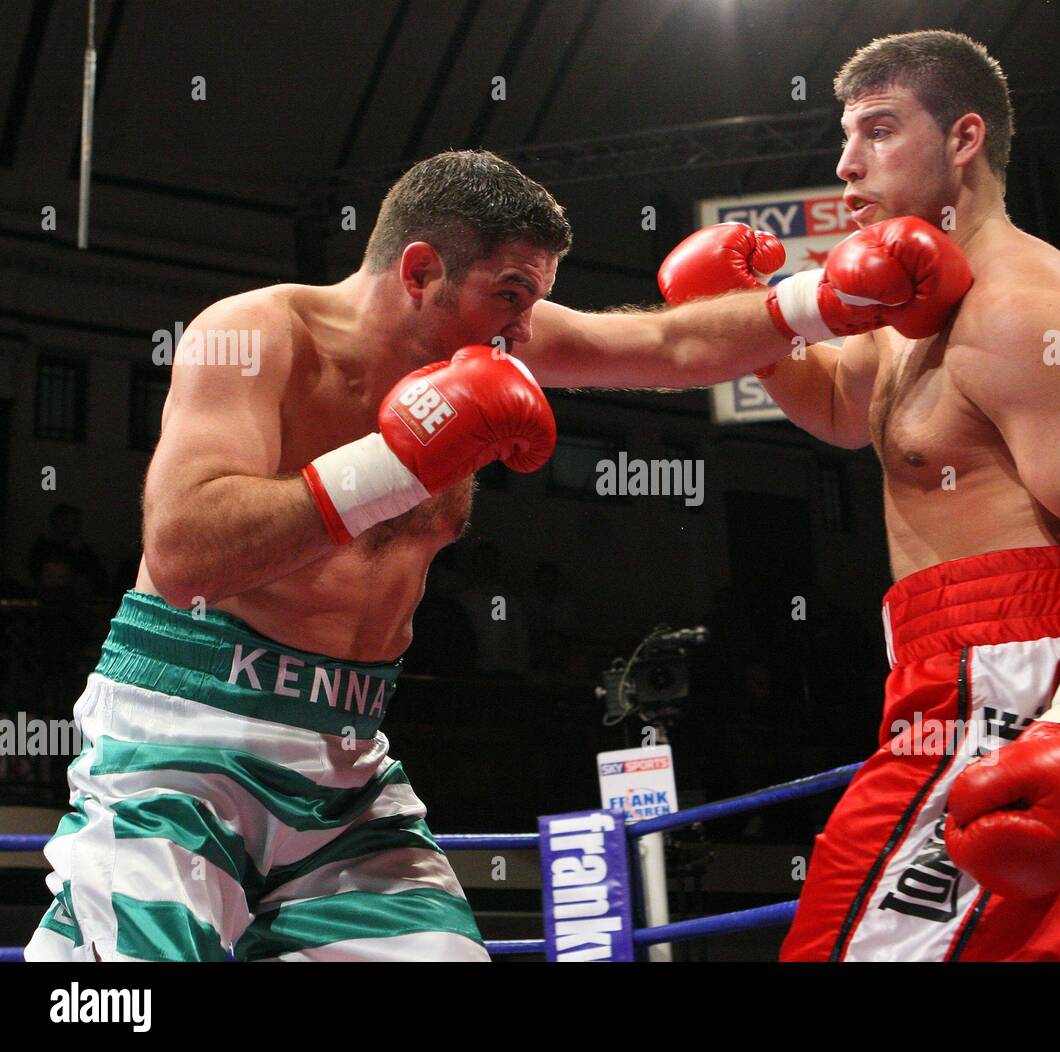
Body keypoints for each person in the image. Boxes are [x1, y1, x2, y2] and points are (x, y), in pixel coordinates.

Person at [27, 149, 968, 961]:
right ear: (422, 269)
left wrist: (822, 299)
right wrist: (393, 463)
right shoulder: (256, 336)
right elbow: (185, 549)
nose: (522, 332)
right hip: (184, 737)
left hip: (346, 757)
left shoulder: (495, 341)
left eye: (535, 301)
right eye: (509, 295)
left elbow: (672, 344)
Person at [658, 30, 1060, 962]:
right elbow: (838, 404)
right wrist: (762, 323)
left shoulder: (1020, 302)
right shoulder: (908, 303)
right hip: (1026, 673)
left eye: (878, 130)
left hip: (1027, 674)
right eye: (844, 135)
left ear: (964, 139)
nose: (845, 163)